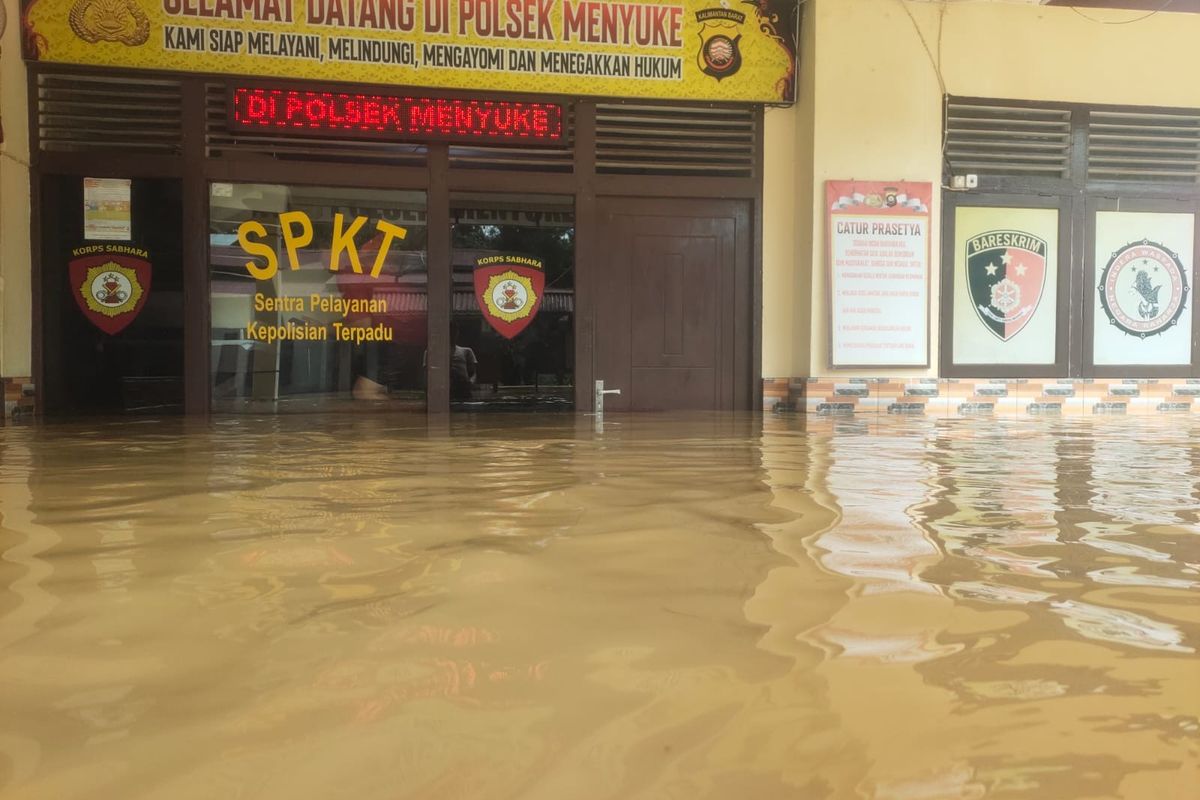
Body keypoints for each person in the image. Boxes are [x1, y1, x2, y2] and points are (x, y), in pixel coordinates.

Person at [450, 325, 477, 401]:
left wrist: (471, 382)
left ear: (457, 334)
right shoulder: (434, 352)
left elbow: (474, 373)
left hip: (463, 387)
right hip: (445, 388)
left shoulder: (466, 351)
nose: (452, 335)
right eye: (451, 333)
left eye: (454, 333)